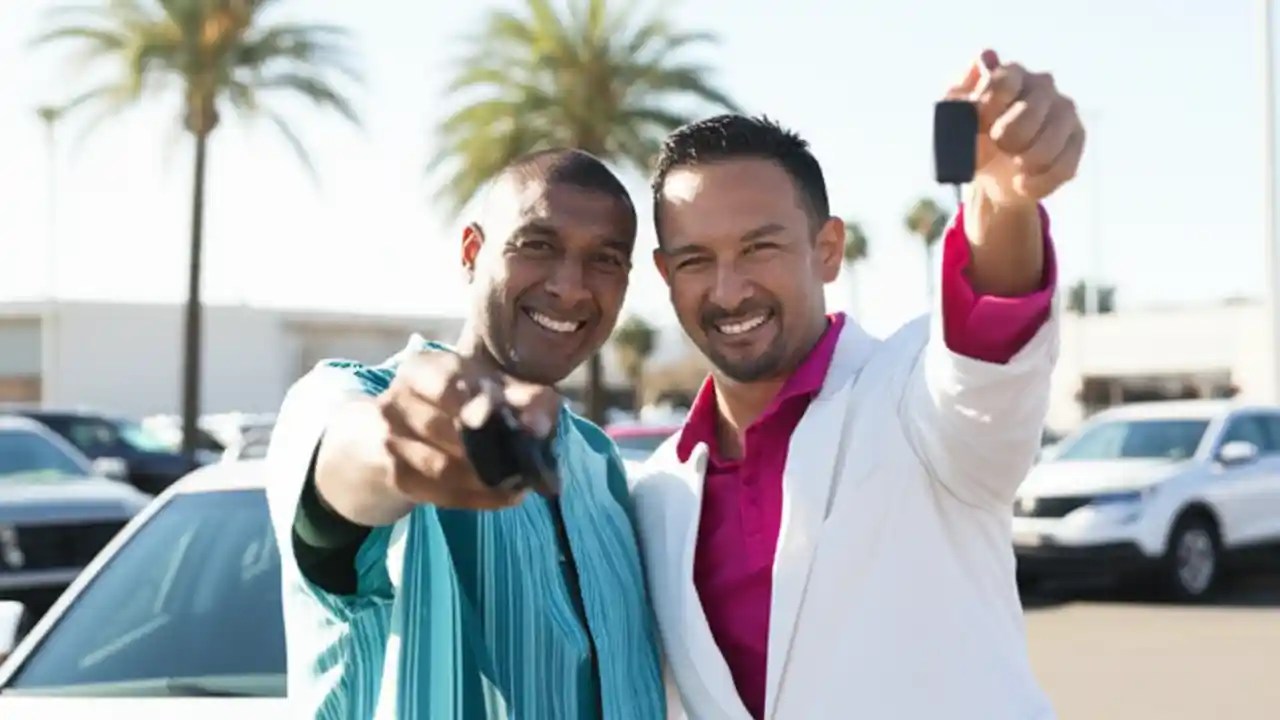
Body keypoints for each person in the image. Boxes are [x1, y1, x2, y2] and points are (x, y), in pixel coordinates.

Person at [630, 49, 1083, 719]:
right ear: (667, 275)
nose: (729, 290)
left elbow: (986, 366)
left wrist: (1003, 199)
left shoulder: (910, 397)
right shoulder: (659, 491)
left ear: (828, 250)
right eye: (698, 260)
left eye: (760, 247)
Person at [265, 149, 666, 719]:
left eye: (605, 260)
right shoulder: (352, 399)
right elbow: (353, 462)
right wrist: (402, 444)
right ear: (472, 252)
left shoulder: (601, 463)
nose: (571, 288)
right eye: (537, 245)